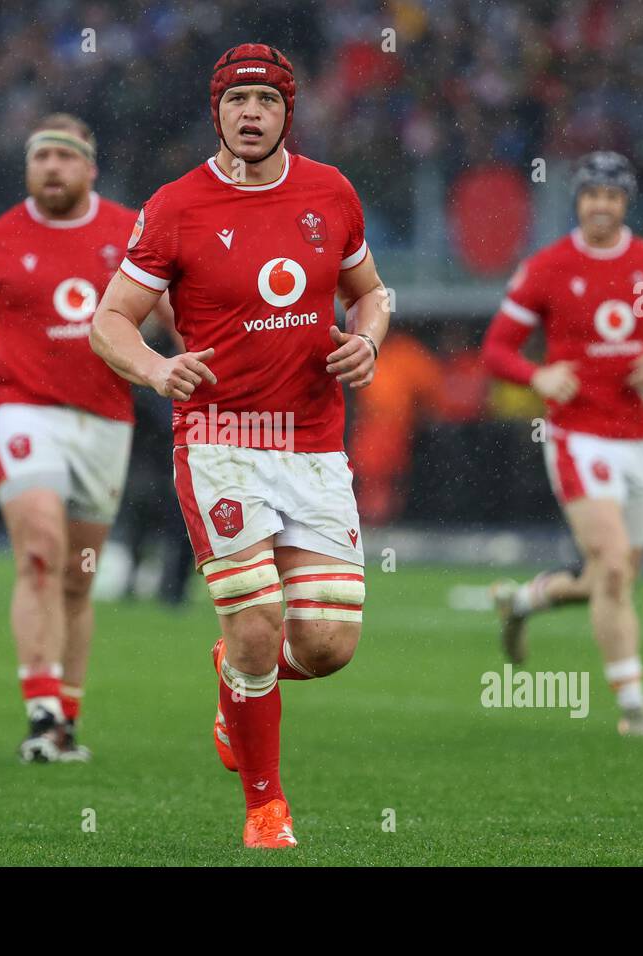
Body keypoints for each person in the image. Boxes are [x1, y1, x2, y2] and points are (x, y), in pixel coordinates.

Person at [91, 44, 389, 848]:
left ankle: (236, 679)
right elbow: (110, 318)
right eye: (236, 99)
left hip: (315, 444)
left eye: (265, 98)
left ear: (289, 109)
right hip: (220, 440)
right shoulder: (177, 205)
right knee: (258, 617)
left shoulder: (332, 191)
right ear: (215, 110)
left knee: (326, 646)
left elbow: (371, 294)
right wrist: (157, 370)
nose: (250, 112)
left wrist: (369, 340)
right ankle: (266, 806)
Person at [0, 114, 169, 763]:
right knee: (40, 551)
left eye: (65, 157)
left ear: (91, 167)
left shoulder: (131, 230)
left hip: (108, 419)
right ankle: (39, 711)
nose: (52, 168)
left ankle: (65, 724)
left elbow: (177, 315)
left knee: (79, 580)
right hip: (24, 412)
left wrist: (215, 375)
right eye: (42, 158)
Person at [480, 151, 643, 736]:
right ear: (577, 201)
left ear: (626, 202)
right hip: (577, 437)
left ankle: (525, 600)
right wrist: (537, 377)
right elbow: (497, 350)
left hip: (639, 440)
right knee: (610, 568)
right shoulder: (546, 267)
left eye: (612, 195)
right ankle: (633, 707)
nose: (600, 205)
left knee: (610, 580)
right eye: (591, 195)